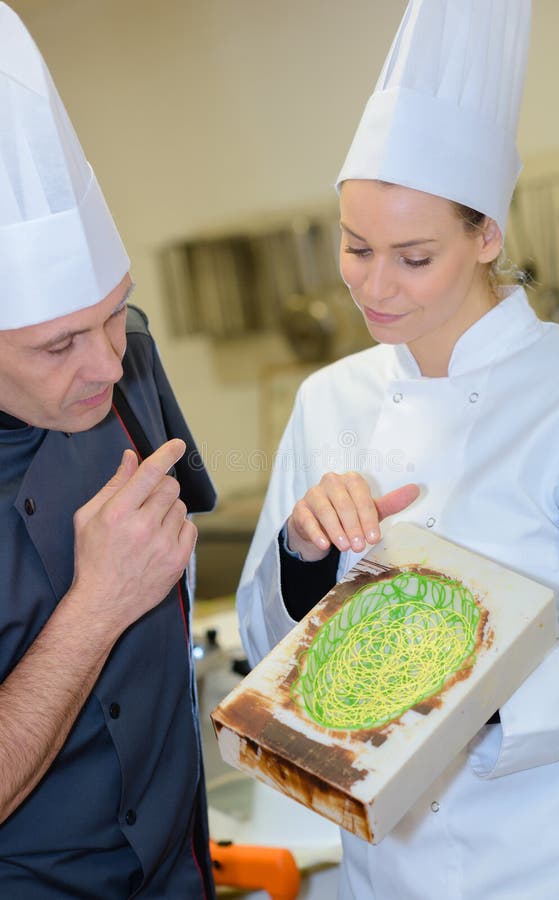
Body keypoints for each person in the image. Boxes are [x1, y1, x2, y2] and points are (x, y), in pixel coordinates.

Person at [237, 2, 559, 898]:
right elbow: (267, 646)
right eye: (355, 248)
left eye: (413, 256)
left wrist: (458, 689)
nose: (374, 285)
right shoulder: (330, 398)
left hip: (550, 859)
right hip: (380, 870)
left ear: (487, 237)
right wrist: (301, 556)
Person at [0, 5, 217, 897]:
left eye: (113, 312)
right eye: (58, 344)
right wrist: (98, 604)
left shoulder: (125, 362)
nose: (107, 364)